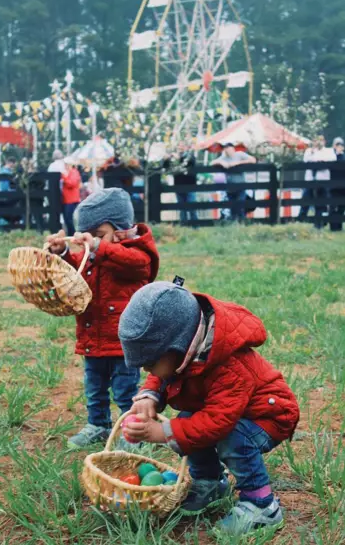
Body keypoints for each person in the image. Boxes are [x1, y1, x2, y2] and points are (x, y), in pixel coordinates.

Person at [119, 282, 299, 536]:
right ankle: (210, 482)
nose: (146, 370)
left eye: (148, 363)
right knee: (189, 419)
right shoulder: (185, 353)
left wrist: (161, 432)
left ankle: (262, 505)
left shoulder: (230, 365)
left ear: (179, 348)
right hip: (229, 413)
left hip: (269, 415)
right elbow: (163, 375)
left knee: (233, 438)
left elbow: (218, 422)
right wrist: (148, 397)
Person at [45, 188, 160, 449]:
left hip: (123, 343)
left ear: (120, 229)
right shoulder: (96, 252)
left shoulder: (136, 253)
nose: (92, 243)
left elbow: (133, 263)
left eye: (98, 235)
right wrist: (63, 253)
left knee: (125, 390)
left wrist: (98, 246)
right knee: (94, 389)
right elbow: (77, 269)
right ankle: (98, 424)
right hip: (93, 335)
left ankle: (134, 433)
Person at [211, 143, 256, 222]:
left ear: (233, 149)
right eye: (226, 149)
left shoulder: (240, 154)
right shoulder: (223, 157)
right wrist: (221, 163)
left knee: (240, 205)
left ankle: (242, 223)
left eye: (229, 149)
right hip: (229, 187)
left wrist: (237, 163)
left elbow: (253, 160)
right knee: (232, 207)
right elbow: (212, 163)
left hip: (240, 186)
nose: (228, 151)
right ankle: (234, 225)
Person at [298, 135, 335, 228]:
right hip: (310, 180)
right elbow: (306, 160)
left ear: (324, 142)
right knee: (305, 201)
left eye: (321, 140)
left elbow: (332, 160)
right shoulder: (309, 151)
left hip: (323, 181)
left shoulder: (329, 151)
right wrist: (313, 152)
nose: (318, 142)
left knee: (321, 203)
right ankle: (300, 222)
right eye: (316, 140)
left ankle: (318, 224)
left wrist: (320, 162)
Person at [172, 142, 198, 227]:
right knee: (181, 208)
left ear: (186, 147)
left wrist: (178, 158)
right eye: (179, 146)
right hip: (178, 186)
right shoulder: (174, 158)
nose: (181, 147)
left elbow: (189, 162)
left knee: (191, 207)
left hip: (190, 186)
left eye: (183, 146)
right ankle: (183, 227)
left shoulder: (190, 156)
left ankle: (195, 227)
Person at [61, 156, 82, 236]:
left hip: (71, 200)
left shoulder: (74, 172)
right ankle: (71, 234)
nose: (65, 166)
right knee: (67, 218)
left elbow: (72, 183)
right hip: (67, 199)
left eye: (66, 164)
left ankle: (73, 234)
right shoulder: (70, 172)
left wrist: (64, 177)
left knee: (69, 219)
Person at [329, 137, 345, 231]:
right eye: (337, 145)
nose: (339, 147)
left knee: (342, 206)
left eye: (341, 145)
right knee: (332, 206)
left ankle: (339, 225)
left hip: (343, 186)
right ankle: (333, 226)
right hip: (333, 186)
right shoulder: (331, 156)